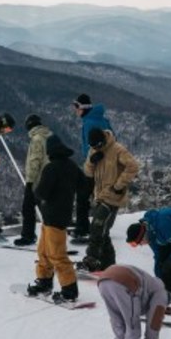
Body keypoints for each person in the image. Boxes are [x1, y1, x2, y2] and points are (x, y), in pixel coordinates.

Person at [27, 134, 81, 303]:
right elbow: (84, 185)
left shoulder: (51, 168)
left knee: (56, 255)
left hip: (52, 216)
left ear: (49, 152)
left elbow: (42, 192)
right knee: (43, 251)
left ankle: (69, 290)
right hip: (59, 216)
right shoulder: (72, 166)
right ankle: (44, 281)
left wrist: (34, 194)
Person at [78, 127, 139, 271]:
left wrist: (119, 185)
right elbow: (87, 171)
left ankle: (92, 259)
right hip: (99, 195)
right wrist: (92, 161)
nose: (96, 148)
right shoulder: (93, 150)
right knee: (103, 231)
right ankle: (109, 264)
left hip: (113, 196)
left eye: (98, 145)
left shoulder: (117, 150)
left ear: (104, 140)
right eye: (93, 146)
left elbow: (133, 166)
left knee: (97, 227)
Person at [95, 264, 168, 339]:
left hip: (104, 281)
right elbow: (154, 321)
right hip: (126, 283)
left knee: (118, 322)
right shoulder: (161, 293)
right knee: (133, 327)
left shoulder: (151, 283)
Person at [73, 94, 113, 240]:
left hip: (95, 164)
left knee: (85, 196)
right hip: (100, 164)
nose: (75, 110)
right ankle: (94, 227)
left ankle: (84, 227)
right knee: (95, 196)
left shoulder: (90, 122)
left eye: (76, 107)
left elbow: (100, 144)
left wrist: (95, 157)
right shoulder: (99, 119)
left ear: (83, 108)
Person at [16, 114, 51, 247]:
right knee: (46, 208)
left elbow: (34, 161)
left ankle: (28, 236)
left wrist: (29, 181)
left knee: (28, 208)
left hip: (37, 180)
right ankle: (54, 236)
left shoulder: (36, 139)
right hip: (49, 178)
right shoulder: (48, 135)